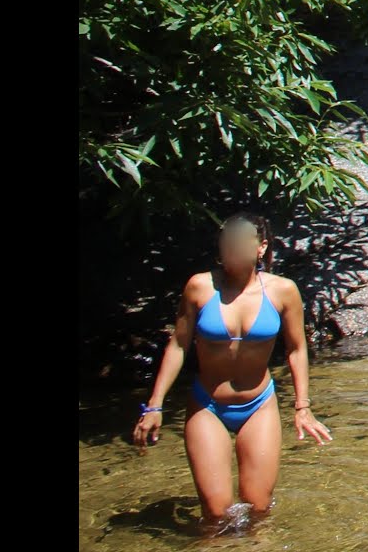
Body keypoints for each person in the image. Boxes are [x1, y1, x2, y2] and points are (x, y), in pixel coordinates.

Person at [132, 211, 333, 527]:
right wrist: (154, 406)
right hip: (208, 404)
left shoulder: (283, 291)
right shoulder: (200, 287)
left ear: (261, 247)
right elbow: (179, 345)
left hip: (259, 405)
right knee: (215, 514)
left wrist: (302, 406)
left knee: (258, 510)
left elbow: (296, 348)